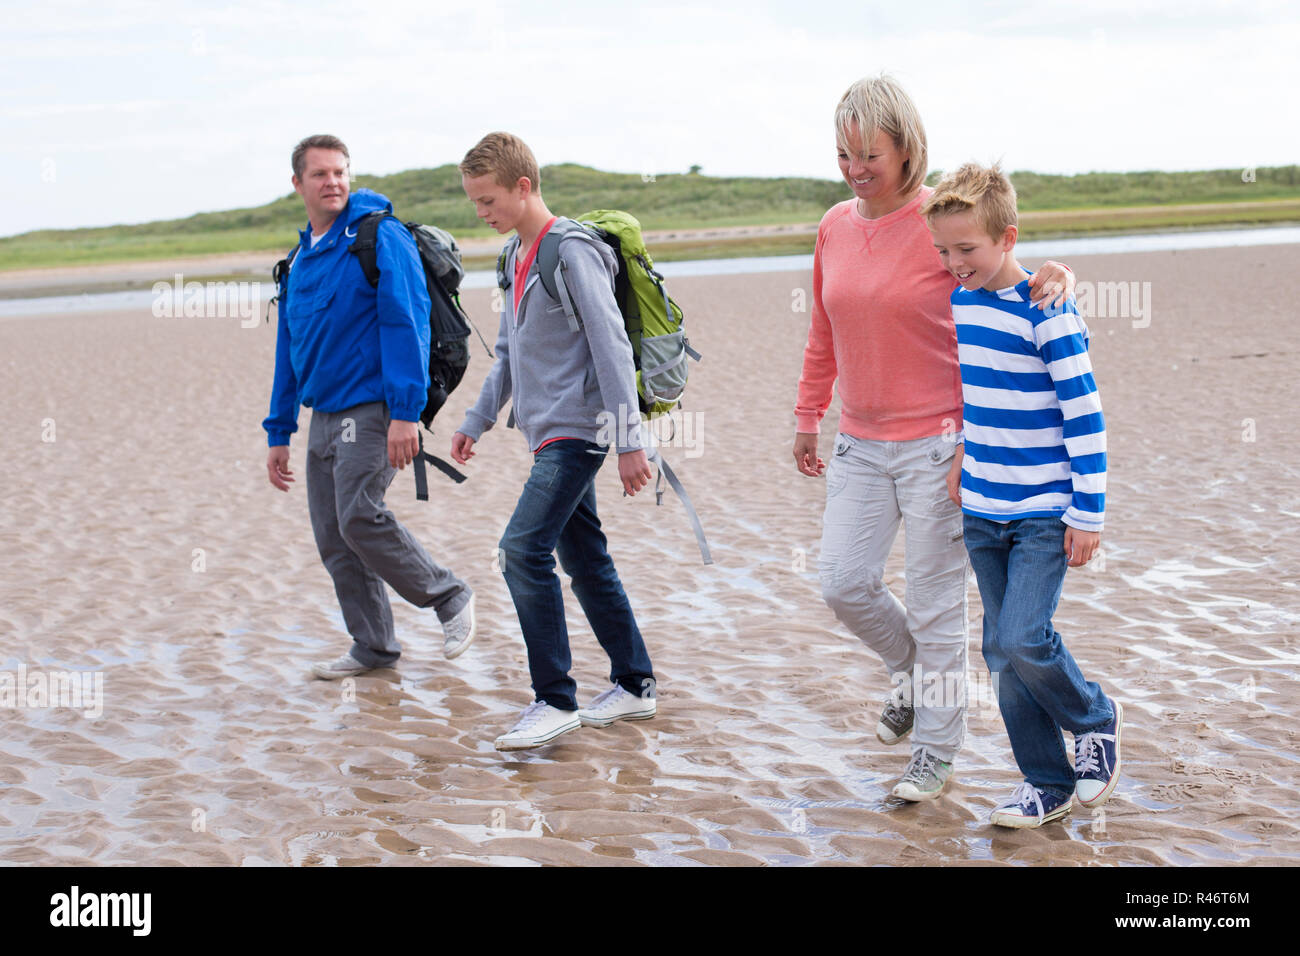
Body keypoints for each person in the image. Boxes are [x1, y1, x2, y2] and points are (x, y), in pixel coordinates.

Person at [793, 75, 1077, 803]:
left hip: (942, 447)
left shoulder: (935, 221)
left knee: (937, 605)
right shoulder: (833, 225)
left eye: (870, 152)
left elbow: (1005, 271)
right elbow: (824, 329)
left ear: (906, 147)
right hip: (858, 441)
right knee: (843, 583)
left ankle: (935, 752)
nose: (856, 167)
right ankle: (918, 677)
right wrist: (806, 415)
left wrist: (1059, 275)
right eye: (843, 152)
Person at [922, 162, 1120, 827]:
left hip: (1044, 511)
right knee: (1001, 654)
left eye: (967, 249)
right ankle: (1045, 781)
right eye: (944, 251)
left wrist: (1088, 511)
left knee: (1025, 639)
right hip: (982, 507)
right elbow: (977, 391)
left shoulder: (1048, 307)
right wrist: (961, 453)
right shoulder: (961, 300)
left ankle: (1094, 717)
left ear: (1007, 237)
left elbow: (1084, 414)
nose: (954, 262)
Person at [450, 132, 657, 751]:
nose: (481, 213)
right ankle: (635, 684)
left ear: (524, 185)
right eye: (473, 204)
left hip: (581, 430)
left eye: (488, 200)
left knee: (520, 551)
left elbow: (612, 343)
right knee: (584, 559)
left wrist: (628, 439)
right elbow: (510, 352)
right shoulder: (513, 258)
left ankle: (553, 698)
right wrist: (476, 420)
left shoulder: (570, 250)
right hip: (542, 434)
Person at [264, 134, 476, 680]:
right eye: (320, 174)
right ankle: (374, 647)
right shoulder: (298, 261)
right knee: (334, 536)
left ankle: (448, 596)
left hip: (374, 406)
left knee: (360, 514)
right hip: (323, 415)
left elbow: (406, 320)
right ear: (297, 184)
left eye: (340, 172)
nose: (332, 182)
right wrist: (278, 430)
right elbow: (290, 350)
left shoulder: (379, 236)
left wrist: (406, 412)